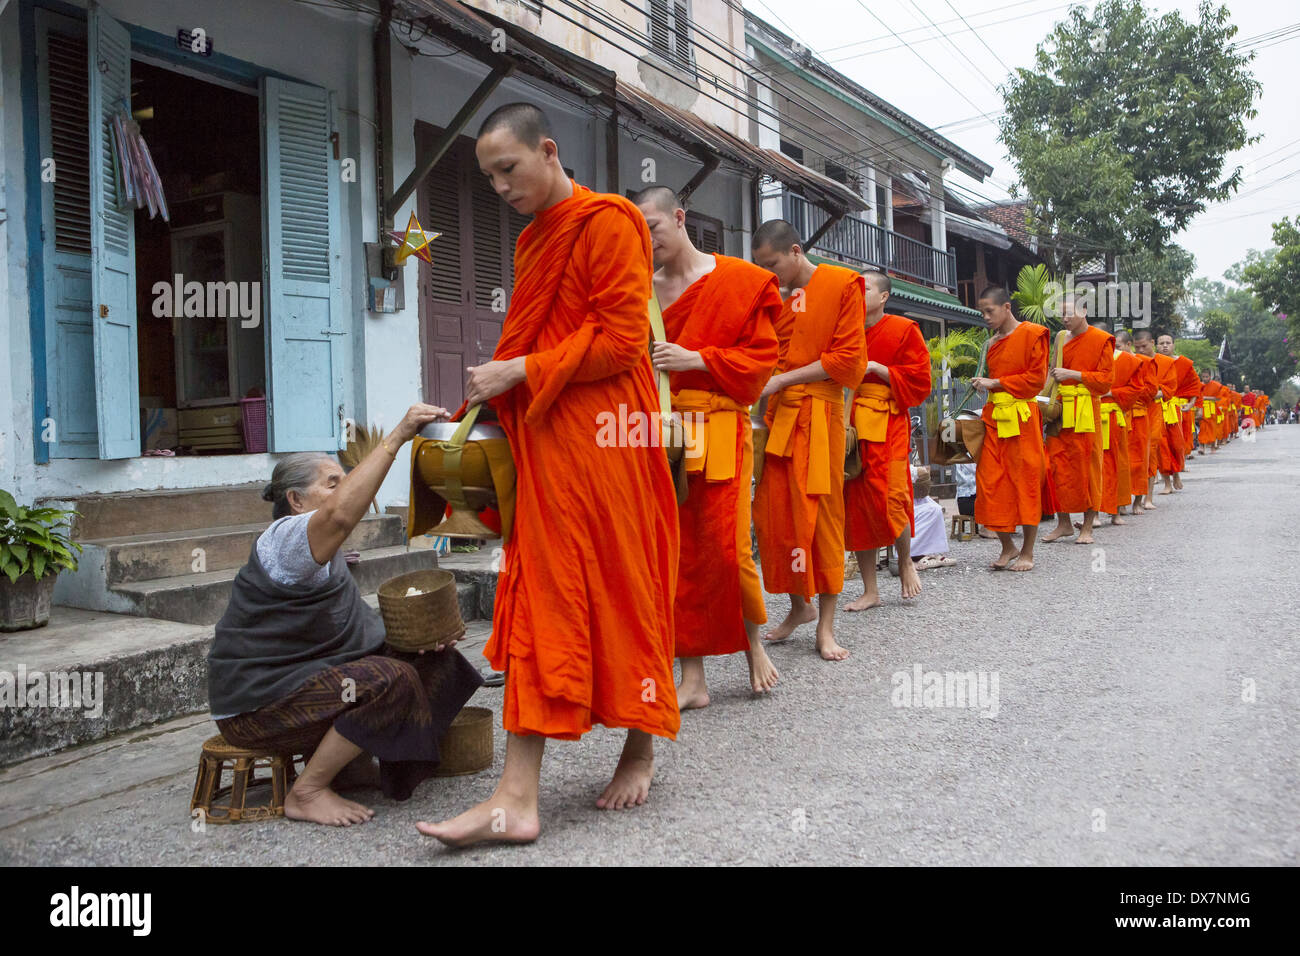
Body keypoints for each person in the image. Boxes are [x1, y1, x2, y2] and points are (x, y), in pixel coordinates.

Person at [417, 103, 681, 847]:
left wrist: (521, 370)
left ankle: (640, 747)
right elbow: (537, 331)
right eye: (490, 178)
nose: (501, 187)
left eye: (509, 169)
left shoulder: (611, 222)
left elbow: (622, 341)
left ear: (549, 151)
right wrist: (504, 383)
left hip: (609, 440)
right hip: (548, 440)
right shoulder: (534, 240)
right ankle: (517, 797)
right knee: (539, 592)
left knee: (627, 582)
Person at [207, 406, 485, 827]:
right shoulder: (284, 540)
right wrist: (399, 435)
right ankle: (307, 791)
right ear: (296, 500)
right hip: (257, 708)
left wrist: (419, 642)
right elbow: (339, 516)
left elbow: (356, 636)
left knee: (433, 660)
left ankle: (353, 767)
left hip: (304, 687)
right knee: (388, 678)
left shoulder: (324, 552)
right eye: (333, 483)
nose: (347, 491)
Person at [632, 186, 781, 707]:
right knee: (674, 553)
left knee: (728, 550)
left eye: (653, 227)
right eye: (639, 232)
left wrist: (697, 359)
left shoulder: (738, 281)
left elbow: (761, 364)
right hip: (661, 436)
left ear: (679, 217)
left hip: (719, 429)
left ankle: (752, 643)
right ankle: (691, 676)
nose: (647, 239)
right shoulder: (639, 291)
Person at [750, 220, 866, 660]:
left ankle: (826, 627)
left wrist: (783, 380)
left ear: (796, 251)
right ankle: (799, 606)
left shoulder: (841, 285)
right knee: (776, 515)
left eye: (773, 264)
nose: (769, 274)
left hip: (820, 415)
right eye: (761, 266)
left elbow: (847, 360)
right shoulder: (776, 298)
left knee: (822, 517)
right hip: (780, 417)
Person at [843, 271, 932, 611]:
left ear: (883, 297)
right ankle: (870, 590)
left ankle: (905, 560)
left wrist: (880, 369)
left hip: (889, 420)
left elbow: (920, 380)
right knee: (857, 503)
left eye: (865, 288)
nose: (858, 294)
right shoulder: (845, 330)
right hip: (852, 424)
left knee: (892, 495)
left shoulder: (903, 329)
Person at [970, 286, 1049, 572]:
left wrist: (995, 383)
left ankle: (1027, 552)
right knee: (989, 482)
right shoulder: (991, 343)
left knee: (1025, 481)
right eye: (982, 312)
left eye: (989, 311)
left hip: (1022, 417)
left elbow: (1036, 380)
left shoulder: (1032, 334)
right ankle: (1008, 547)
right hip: (994, 418)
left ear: (1006, 307)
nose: (985, 317)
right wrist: (983, 383)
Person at [1040, 296, 1113, 546]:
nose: (1065, 319)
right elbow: (1052, 372)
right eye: (1061, 314)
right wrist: (1042, 402)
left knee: (1088, 467)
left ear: (1084, 311)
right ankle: (1064, 523)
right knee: (1057, 466)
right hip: (1061, 411)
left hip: (1085, 410)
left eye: (1069, 313)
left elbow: (1105, 382)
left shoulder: (1101, 340)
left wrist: (1074, 374)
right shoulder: (1061, 337)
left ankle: (1088, 526)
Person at [1099, 327, 1141, 524]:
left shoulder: (1129, 361)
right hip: (1088, 415)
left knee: (1117, 463)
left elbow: (1136, 390)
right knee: (1093, 465)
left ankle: (1116, 510)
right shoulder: (1090, 358)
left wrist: (1111, 393)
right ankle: (1093, 513)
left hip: (1114, 417)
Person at [1134, 329, 1176, 505]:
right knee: (1133, 451)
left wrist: (1149, 394)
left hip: (1153, 409)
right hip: (1133, 409)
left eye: (1144, 346)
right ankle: (1129, 497)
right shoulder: (1133, 360)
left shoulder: (1166, 363)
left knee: (1151, 450)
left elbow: (1169, 389)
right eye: (1137, 347)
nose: (1140, 350)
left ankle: (1148, 497)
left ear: (1152, 343)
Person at [906, 467, 955, 570]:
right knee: (930, 511)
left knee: (936, 509)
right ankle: (915, 555)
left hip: (913, 498)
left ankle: (931, 552)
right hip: (903, 499)